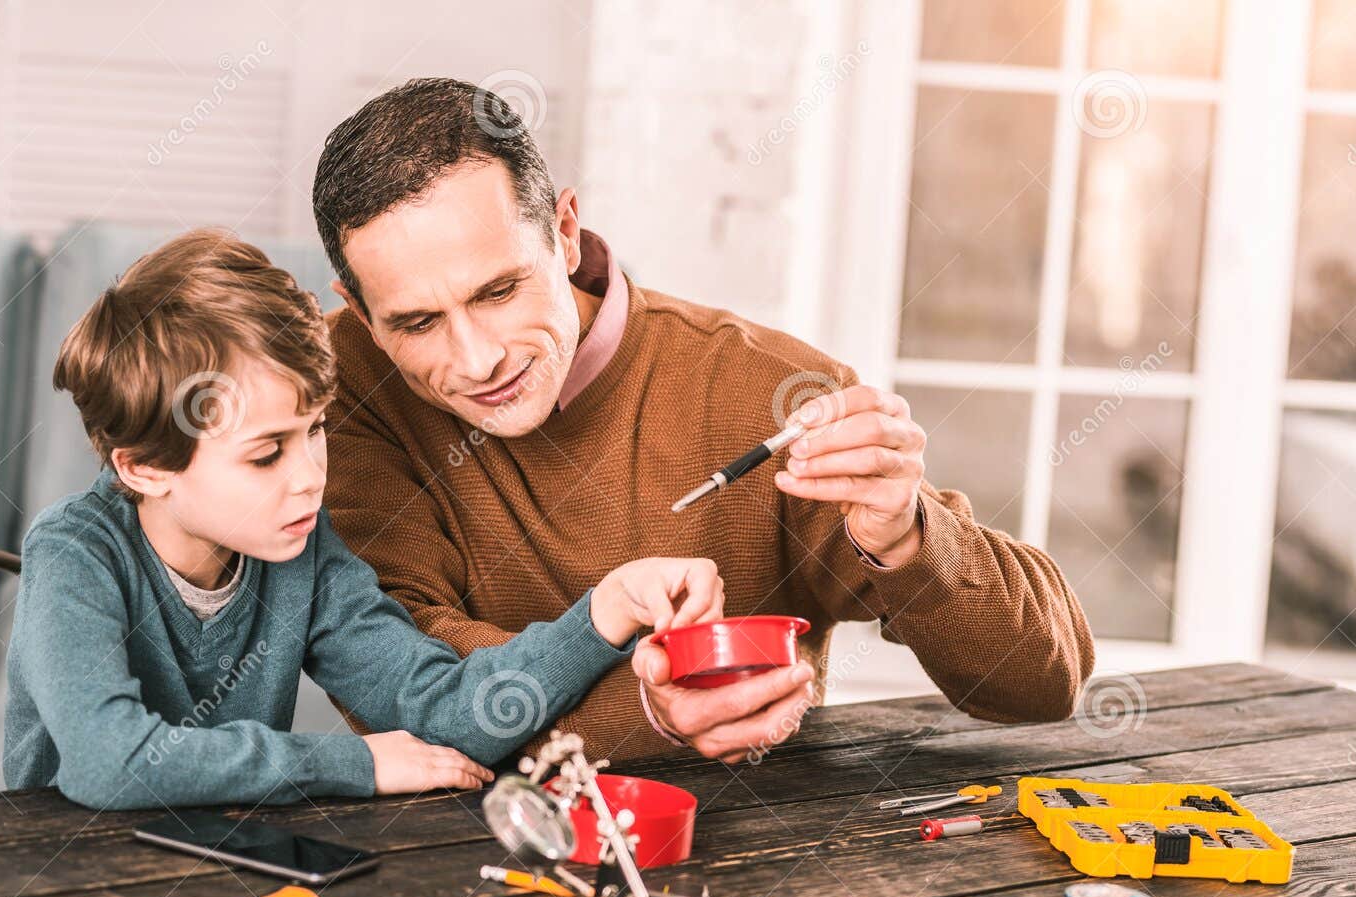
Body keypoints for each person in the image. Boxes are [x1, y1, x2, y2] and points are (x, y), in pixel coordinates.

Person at [313, 78, 1095, 764]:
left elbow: (1044, 683)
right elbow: (413, 692)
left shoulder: (766, 391)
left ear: (564, 229)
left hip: (748, 854)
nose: (477, 359)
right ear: (360, 308)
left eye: (498, 292)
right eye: (417, 323)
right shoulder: (334, 384)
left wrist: (913, 539)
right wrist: (653, 714)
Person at [2, 229, 722, 810]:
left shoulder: (301, 551)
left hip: (226, 858)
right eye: (265, 456)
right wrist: (354, 763)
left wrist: (603, 613)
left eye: (313, 429)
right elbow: (108, 764)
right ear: (143, 469)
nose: (310, 477)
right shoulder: (76, 553)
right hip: (61, 877)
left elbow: (438, 709)